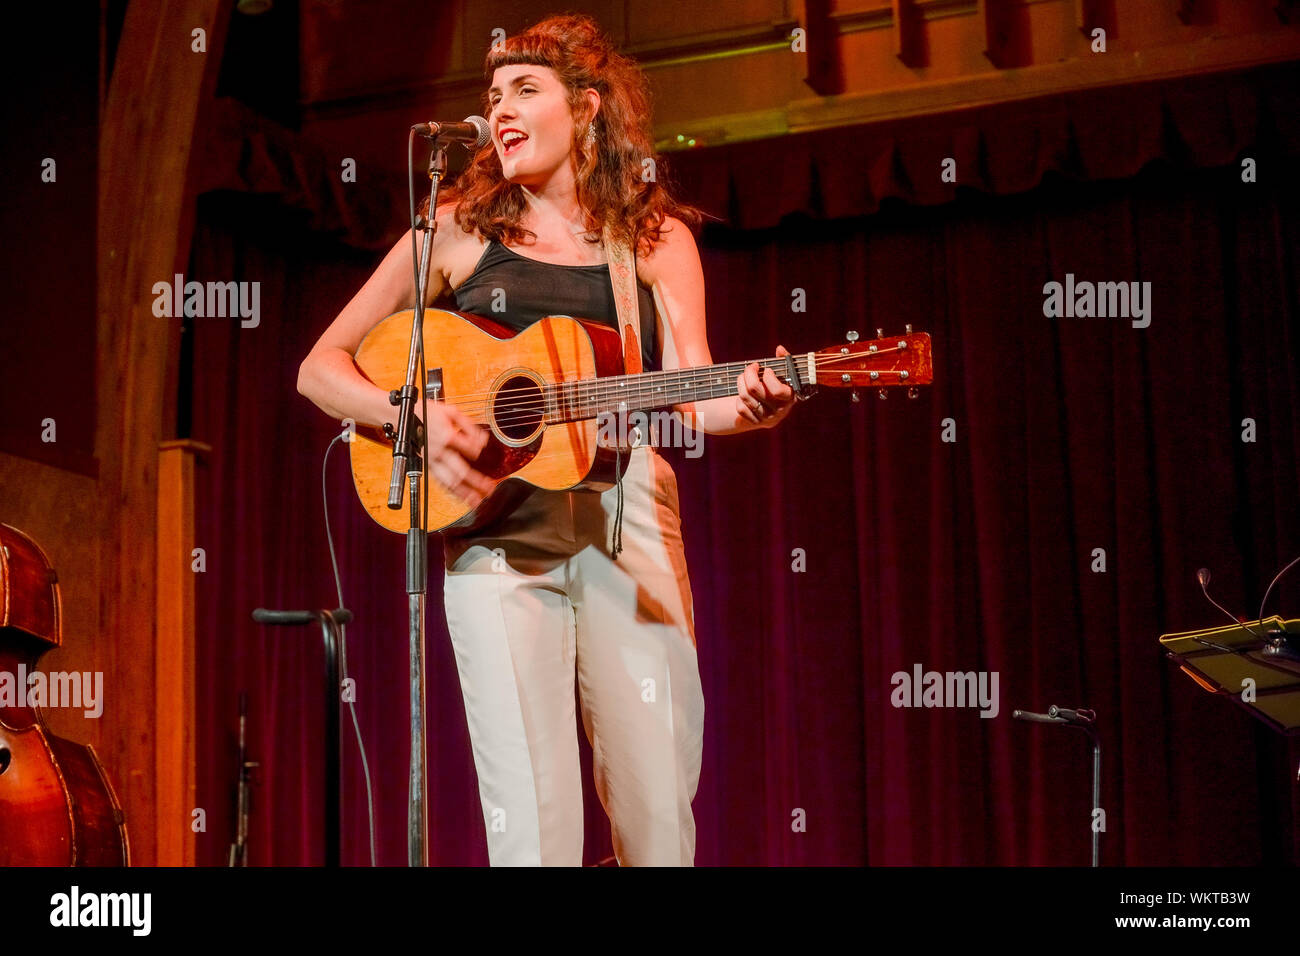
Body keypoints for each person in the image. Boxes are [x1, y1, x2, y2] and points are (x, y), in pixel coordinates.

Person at [297, 13, 797, 866]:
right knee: (533, 830)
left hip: (623, 517)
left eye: (526, 90)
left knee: (657, 818)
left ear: (589, 107)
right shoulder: (453, 229)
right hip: (495, 534)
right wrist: (407, 412)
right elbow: (321, 367)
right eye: (493, 96)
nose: (502, 111)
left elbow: (696, 393)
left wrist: (757, 403)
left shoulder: (652, 237)